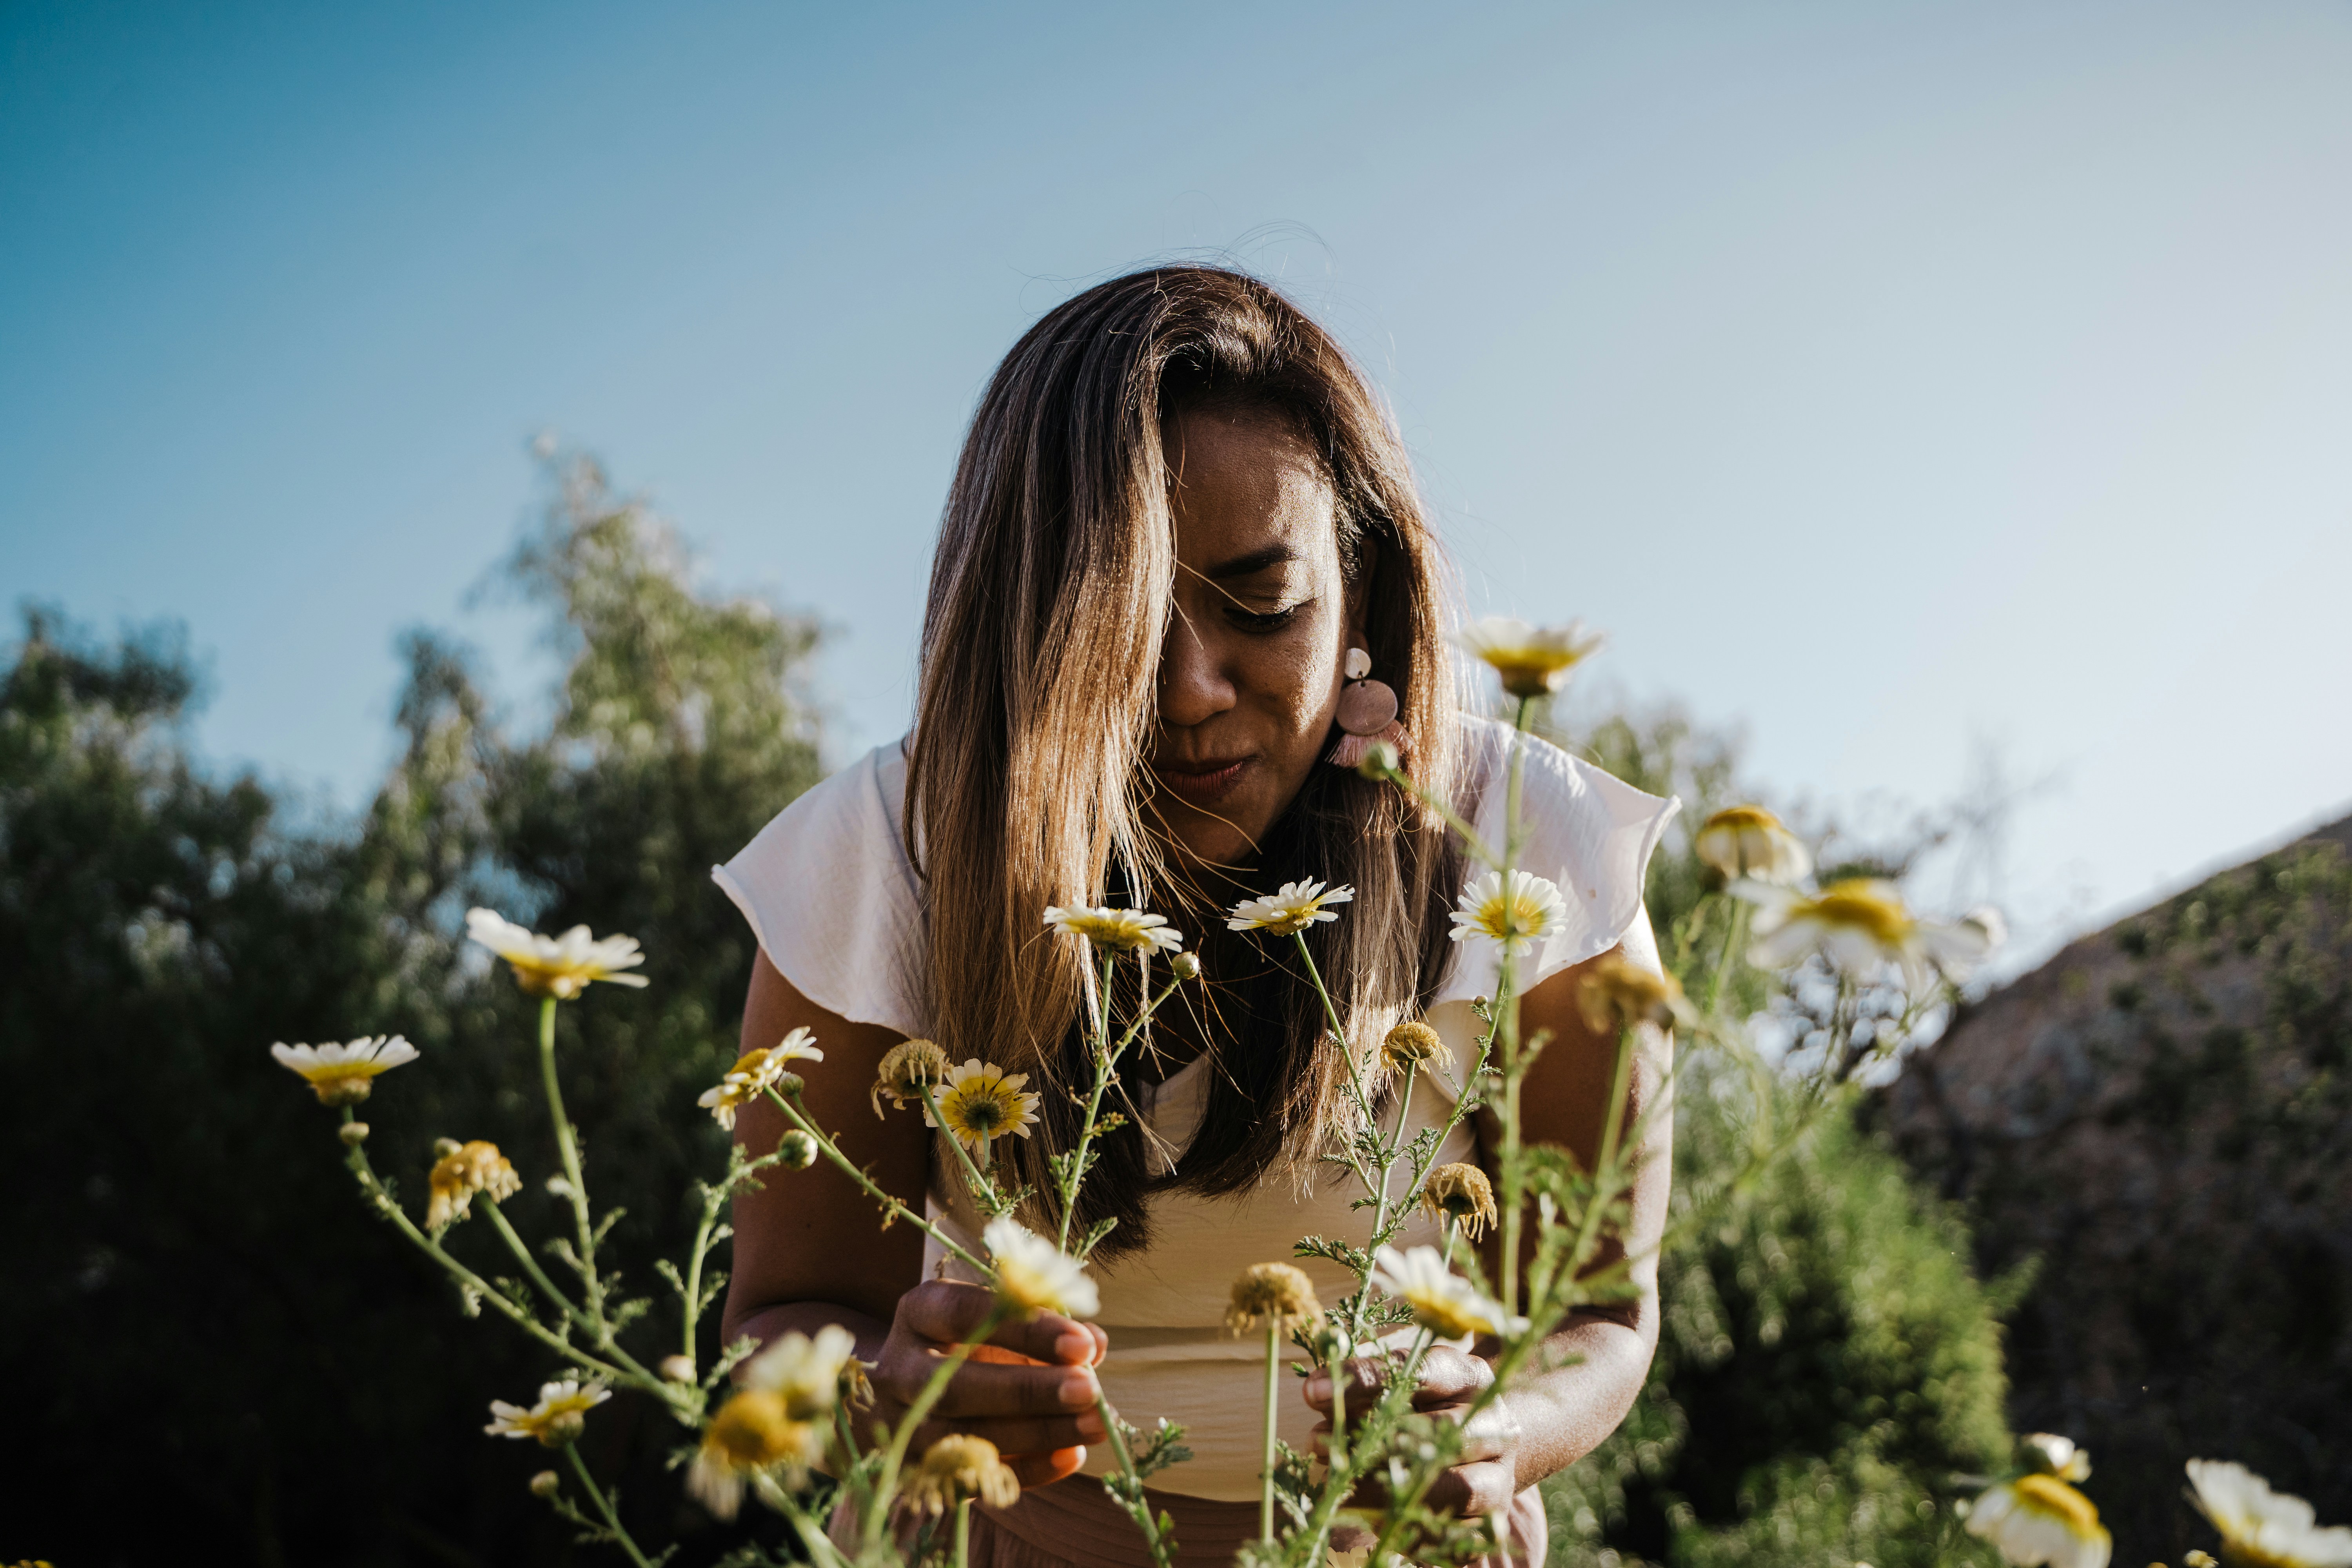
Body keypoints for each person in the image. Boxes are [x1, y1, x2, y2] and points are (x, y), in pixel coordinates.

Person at [715, 267, 1677, 1568]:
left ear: (1363, 589)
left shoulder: (1524, 845)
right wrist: (878, 1400)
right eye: (1113, 626)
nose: (1188, 691)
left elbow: (1606, 1313)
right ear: (1018, 621)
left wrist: (1501, 1426)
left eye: (1263, 604)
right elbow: (780, 1313)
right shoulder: (886, 854)